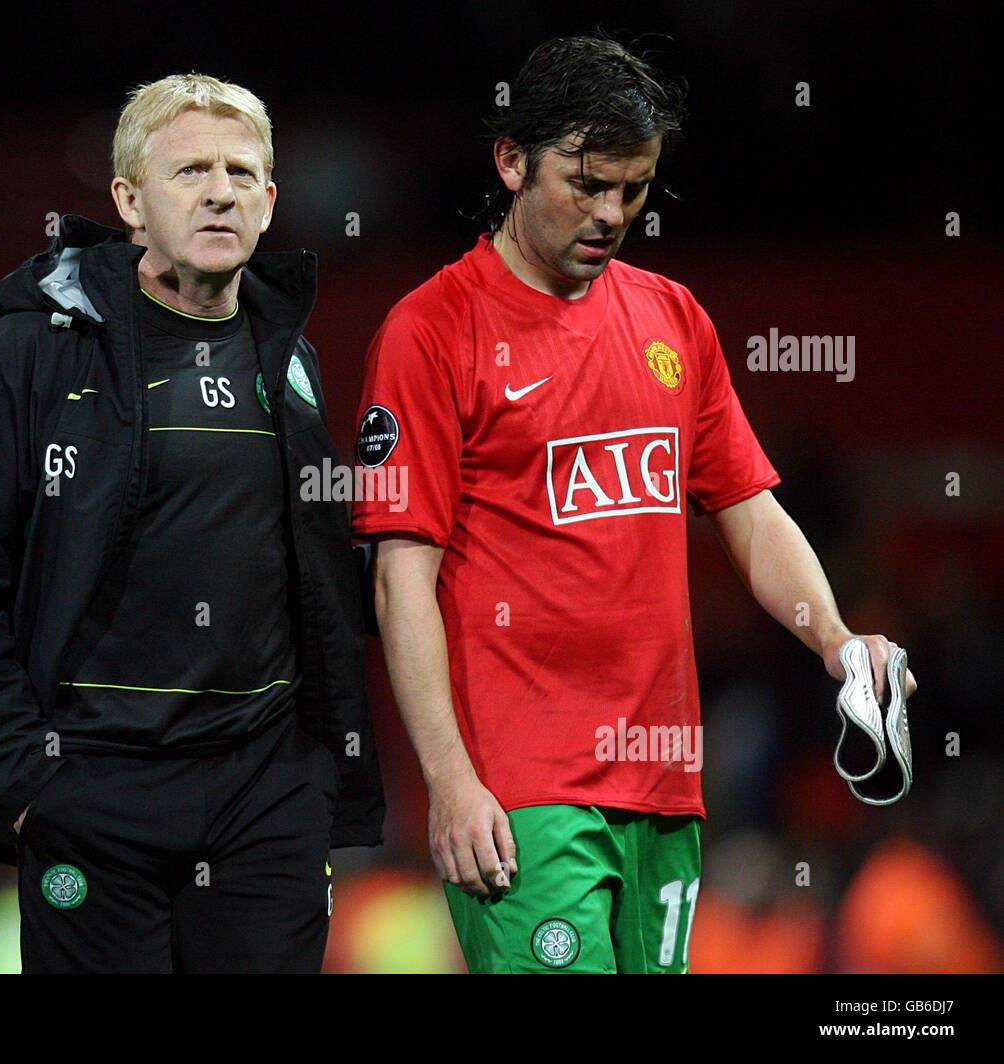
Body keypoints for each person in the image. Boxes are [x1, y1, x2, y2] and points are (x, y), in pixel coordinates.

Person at [351, 35, 915, 974]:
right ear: (510, 161)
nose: (612, 214)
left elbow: (749, 509)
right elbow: (396, 579)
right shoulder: (429, 331)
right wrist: (449, 781)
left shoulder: (673, 319)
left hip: (666, 783)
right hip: (520, 791)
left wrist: (837, 640)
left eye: (635, 188)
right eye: (586, 184)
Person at [0, 72, 384, 973]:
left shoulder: (291, 355)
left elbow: (315, 571)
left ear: (270, 203)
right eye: (190, 170)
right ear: (130, 203)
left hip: (263, 792)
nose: (221, 191)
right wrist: (26, 785)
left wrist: (314, 775)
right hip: (89, 785)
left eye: (242, 172)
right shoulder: (22, 356)